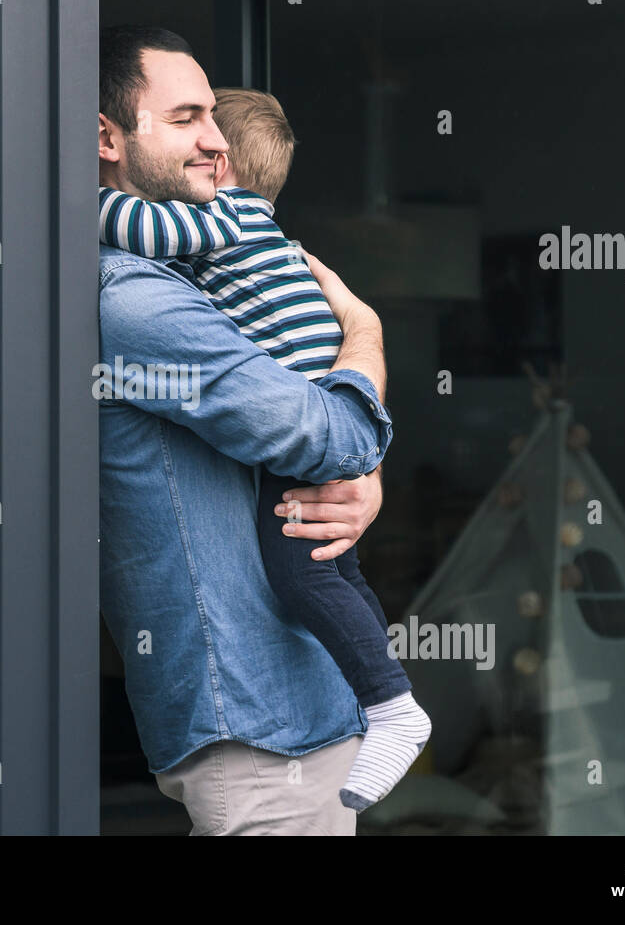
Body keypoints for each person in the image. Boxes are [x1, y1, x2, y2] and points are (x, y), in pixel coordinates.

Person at [98, 86, 431, 812]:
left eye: (209, 126)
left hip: (282, 724)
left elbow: (326, 437)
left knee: (304, 570)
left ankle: (393, 705)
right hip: (267, 727)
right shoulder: (146, 291)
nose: (205, 142)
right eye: (186, 121)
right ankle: (390, 700)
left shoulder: (209, 224)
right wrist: (362, 341)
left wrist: (66, 204)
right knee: (331, 566)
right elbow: (332, 439)